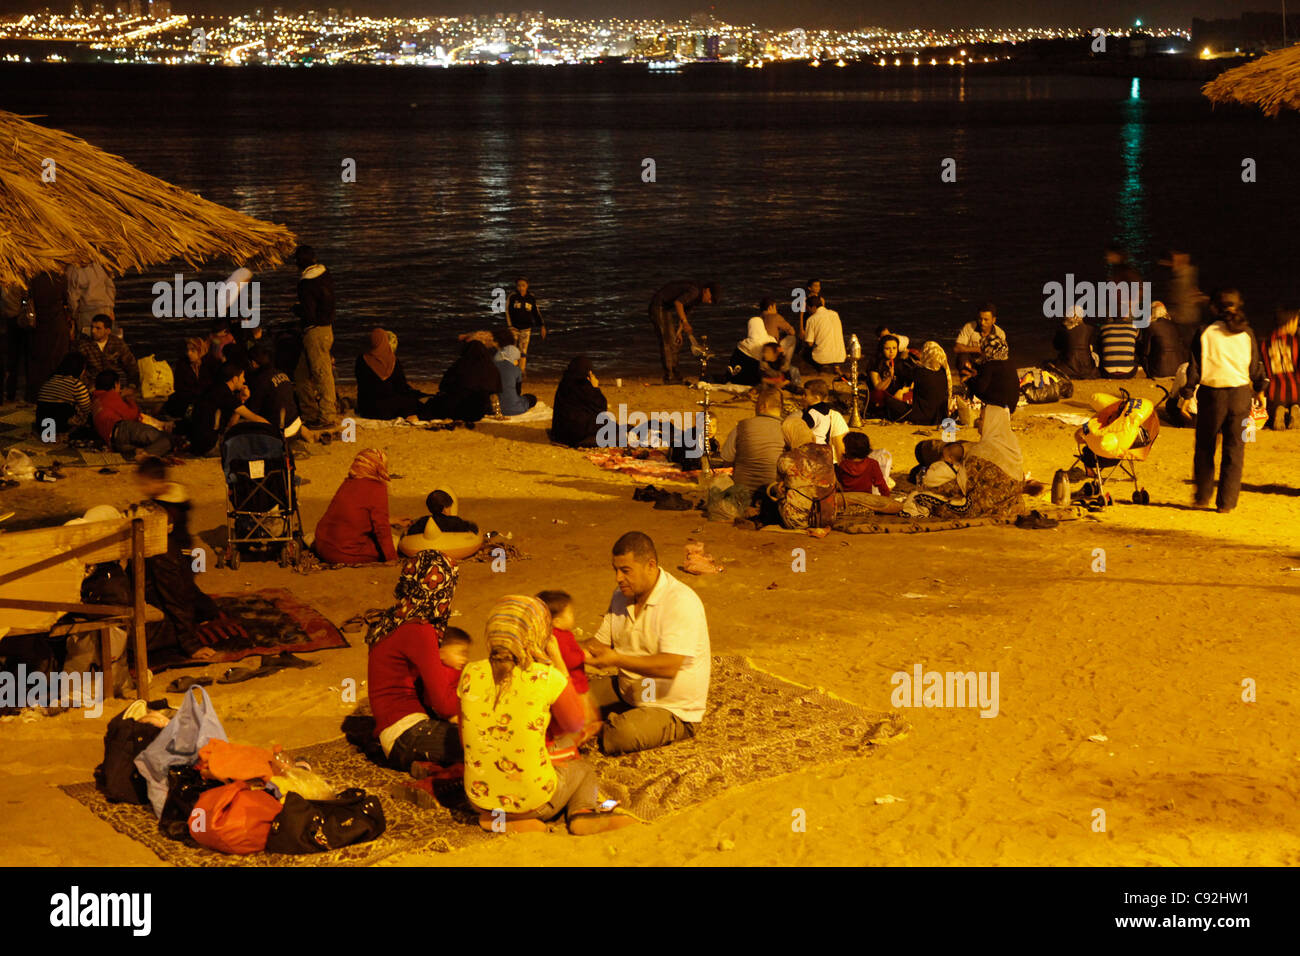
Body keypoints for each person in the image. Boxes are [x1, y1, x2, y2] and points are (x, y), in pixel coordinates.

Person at [459, 595, 634, 834]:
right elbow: (575, 724)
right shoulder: (545, 677)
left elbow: (465, 737)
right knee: (582, 769)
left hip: (479, 799)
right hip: (536, 802)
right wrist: (559, 662)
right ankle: (582, 813)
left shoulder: (470, 672)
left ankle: (499, 819)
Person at [582, 532, 710, 756]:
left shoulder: (680, 602)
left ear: (651, 565)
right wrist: (555, 644)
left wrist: (617, 659)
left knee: (622, 734)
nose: (618, 578)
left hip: (671, 707)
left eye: (625, 571)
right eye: (616, 570)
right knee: (566, 700)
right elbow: (597, 644)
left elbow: (669, 666)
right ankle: (617, 716)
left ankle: (615, 725)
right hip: (630, 692)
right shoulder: (621, 595)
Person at [366, 549, 465, 771]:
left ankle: (428, 766)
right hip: (406, 734)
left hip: (394, 732)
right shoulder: (419, 630)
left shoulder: (394, 619)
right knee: (490, 741)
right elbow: (444, 704)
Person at [1180, 290, 1268, 513]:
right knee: (1235, 450)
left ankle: (1202, 496)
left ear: (1214, 308)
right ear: (1238, 307)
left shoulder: (1205, 332)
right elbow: (1255, 366)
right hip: (1240, 396)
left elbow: (1195, 367)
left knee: (1205, 447)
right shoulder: (1246, 333)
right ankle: (1226, 503)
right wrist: (1260, 390)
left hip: (1212, 395)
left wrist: (1187, 394)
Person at [133, 457, 221, 660]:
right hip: (177, 559)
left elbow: (174, 595)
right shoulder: (167, 502)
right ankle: (203, 611)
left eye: (145, 482)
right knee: (188, 596)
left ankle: (196, 622)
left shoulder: (165, 530)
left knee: (179, 597)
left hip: (177, 559)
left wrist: (191, 645)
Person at [905, 404, 1026, 519]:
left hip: (983, 508)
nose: (977, 422)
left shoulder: (981, 452)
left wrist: (931, 487)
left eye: (981, 419)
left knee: (922, 499)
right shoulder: (1012, 446)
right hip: (1013, 505)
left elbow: (959, 488)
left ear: (992, 423)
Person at [314, 448, 399, 564]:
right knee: (395, 541)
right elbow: (381, 528)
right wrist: (392, 558)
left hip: (321, 545)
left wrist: (392, 521)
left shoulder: (348, 482)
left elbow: (354, 514)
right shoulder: (377, 488)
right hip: (343, 553)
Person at [536, 589, 601, 735]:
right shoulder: (557, 637)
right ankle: (581, 733)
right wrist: (583, 656)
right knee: (581, 709)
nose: (573, 617)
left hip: (573, 680)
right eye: (570, 614)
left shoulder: (559, 634)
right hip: (573, 682)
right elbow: (568, 659)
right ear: (556, 621)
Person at [292, 244, 338, 428]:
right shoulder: (325, 275)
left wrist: (296, 309)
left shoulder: (306, 284)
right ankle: (310, 412)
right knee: (301, 373)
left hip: (314, 331)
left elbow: (308, 313)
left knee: (321, 373)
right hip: (325, 329)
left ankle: (327, 415)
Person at [187, 361, 268, 457]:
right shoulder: (224, 394)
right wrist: (273, 430)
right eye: (242, 377)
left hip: (198, 444)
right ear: (234, 379)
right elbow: (253, 417)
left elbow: (231, 424)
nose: (244, 380)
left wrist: (241, 400)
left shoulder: (216, 389)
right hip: (209, 446)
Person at [718, 387, 786, 500]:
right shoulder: (787, 428)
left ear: (764, 405)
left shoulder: (742, 426)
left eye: (756, 403)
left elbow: (727, 459)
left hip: (741, 494)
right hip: (772, 494)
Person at [354, 327, 432, 420]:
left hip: (366, 409)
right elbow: (401, 387)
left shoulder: (361, 360)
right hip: (386, 410)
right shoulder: (392, 361)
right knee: (415, 404)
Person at [91, 370, 172, 460]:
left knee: (148, 443)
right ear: (115, 384)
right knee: (165, 439)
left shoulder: (96, 399)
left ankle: (140, 452)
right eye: (119, 384)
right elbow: (131, 415)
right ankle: (145, 455)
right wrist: (129, 399)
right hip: (122, 430)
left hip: (115, 443)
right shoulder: (110, 395)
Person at [648, 280, 716, 383]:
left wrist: (679, 332)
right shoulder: (695, 291)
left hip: (666, 309)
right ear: (707, 290)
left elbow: (685, 313)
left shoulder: (697, 299)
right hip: (658, 305)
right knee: (667, 341)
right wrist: (685, 323)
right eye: (711, 298)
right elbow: (678, 303)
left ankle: (675, 372)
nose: (709, 302)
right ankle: (669, 376)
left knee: (675, 342)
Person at [397, 488, 485, 560]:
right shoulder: (454, 521)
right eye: (449, 507)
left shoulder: (424, 521)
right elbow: (472, 528)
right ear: (445, 509)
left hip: (421, 547)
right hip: (448, 548)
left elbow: (409, 532)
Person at [423, 340, 499, 423]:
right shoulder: (491, 368)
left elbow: (443, 386)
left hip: (459, 409)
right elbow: (496, 388)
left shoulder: (460, 365)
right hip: (481, 410)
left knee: (433, 403)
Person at [248, 344, 310, 439]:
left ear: (253, 363)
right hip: (297, 424)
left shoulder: (260, 381)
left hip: (282, 433)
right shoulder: (281, 373)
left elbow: (252, 413)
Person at [28, 271, 71, 402]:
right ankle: (58, 393)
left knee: (41, 360)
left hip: (41, 324)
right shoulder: (60, 278)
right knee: (58, 359)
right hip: (57, 324)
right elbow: (67, 300)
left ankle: (39, 394)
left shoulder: (34, 280)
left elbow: (30, 300)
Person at [783, 378, 849, 463]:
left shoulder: (806, 414)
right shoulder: (830, 414)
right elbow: (840, 448)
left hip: (807, 456)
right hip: (825, 456)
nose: (802, 397)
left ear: (816, 397)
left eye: (805, 395)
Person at [1158, 248, 1207, 356]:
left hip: (1184, 318)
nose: (1174, 262)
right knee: (1190, 345)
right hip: (1188, 317)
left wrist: (1168, 313)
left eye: (1176, 258)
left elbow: (1179, 299)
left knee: (1188, 345)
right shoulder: (1184, 275)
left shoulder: (1182, 277)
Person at [550, 355, 607, 447]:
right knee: (609, 426)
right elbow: (601, 408)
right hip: (575, 433)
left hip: (559, 433)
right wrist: (595, 388)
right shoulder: (582, 384)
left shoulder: (565, 381)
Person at [1262, 304, 1300, 430]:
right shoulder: (1295, 341)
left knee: (1276, 403)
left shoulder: (1266, 342)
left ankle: (1279, 409)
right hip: (1295, 385)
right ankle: (1296, 409)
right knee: (1296, 399)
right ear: (1289, 323)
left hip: (1275, 388)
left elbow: (1265, 368)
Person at [35, 352, 91, 434]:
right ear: (80, 369)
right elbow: (87, 409)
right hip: (60, 426)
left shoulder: (51, 380)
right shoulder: (76, 384)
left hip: (41, 424)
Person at [77, 314, 138, 390]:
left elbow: (131, 365)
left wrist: (131, 385)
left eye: (98, 328)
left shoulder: (118, 343)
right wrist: (89, 386)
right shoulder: (84, 346)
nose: (93, 331)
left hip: (118, 386)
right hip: (95, 387)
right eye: (92, 327)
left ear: (108, 331)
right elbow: (79, 371)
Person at [162, 336, 213, 419]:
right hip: (187, 400)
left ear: (200, 351)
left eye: (193, 350)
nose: (189, 353)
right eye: (187, 350)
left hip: (204, 399)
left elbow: (211, 384)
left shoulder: (209, 364)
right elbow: (179, 387)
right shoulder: (182, 364)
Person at [506, 277, 546, 378]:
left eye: (523, 285)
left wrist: (542, 326)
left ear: (527, 286)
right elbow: (507, 311)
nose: (521, 288)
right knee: (513, 350)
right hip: (514, 328)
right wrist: (510, 326)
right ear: (516, 286)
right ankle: (512, 371)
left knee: (523, 351)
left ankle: (521, 371)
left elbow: (536, 312)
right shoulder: (512, 296)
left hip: (526, 329)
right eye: (519, 285)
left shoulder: (531, 297)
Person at [905, 341, 952, 427]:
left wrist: (903, 357)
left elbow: (906, 376)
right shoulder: (943, 372)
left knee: (890, 402)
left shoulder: (920, 372)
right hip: (940, 417)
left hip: (922, 418)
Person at [65, 260, 115, 338]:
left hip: (86, 314)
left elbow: (72, 298)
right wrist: (110, 308)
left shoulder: (73, 270)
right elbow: (110, 287)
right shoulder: (100, 264)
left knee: (87, 342)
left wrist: (74, 315)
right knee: (106, 342)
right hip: (105, 310)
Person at [867, 334, 913, 420]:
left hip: (897, 396)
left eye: (894, 348)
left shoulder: (899, 362)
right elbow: (878, 387)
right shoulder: (875, 363)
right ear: (882, 349)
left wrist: (902, 391)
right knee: (880, 395)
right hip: (881, 398)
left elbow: (912, 382)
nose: (892, 351)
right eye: (887, 349)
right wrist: (888, 377)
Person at [802, 295, 846, 376]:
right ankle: (836, 368)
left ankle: (822, 369)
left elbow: (809, 343)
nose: (807, 310)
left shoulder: (811, 319)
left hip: (822, 358)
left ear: (813, 307)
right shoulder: (835, 314)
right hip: (840, 356)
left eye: (807, 308)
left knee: (803, 351)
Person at [2, 283, 31, 403]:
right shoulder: (20, 282)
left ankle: (10, 392)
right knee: (22, 356)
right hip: (18, 319)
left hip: (7, 319)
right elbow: (26, 298)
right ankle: (21, 392)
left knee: (11, 358)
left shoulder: (5, 283)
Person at [1051, 307, 1098, 379]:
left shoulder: (1063, 330)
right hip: (1088, 370)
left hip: (1068, 370)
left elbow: (1057, 346)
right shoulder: (1090, 329)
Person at [728, 316, 774, 386]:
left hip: (746, 379)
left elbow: (733, 364)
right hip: (767, 377)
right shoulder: (771, 341)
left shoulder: (743, 345)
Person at [493, 343, 538, 415]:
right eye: (517, 359)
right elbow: (518, 392)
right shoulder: (516, 369)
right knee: (532, 398)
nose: (517, 362)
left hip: (492, 408)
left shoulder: (492, 366)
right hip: (514, 408)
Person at [1142, 302, 1184, 379]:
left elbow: (1145, 352)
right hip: (1176, 370)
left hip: (1158, 372)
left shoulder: (1151, 326)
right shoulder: (1175, 326)